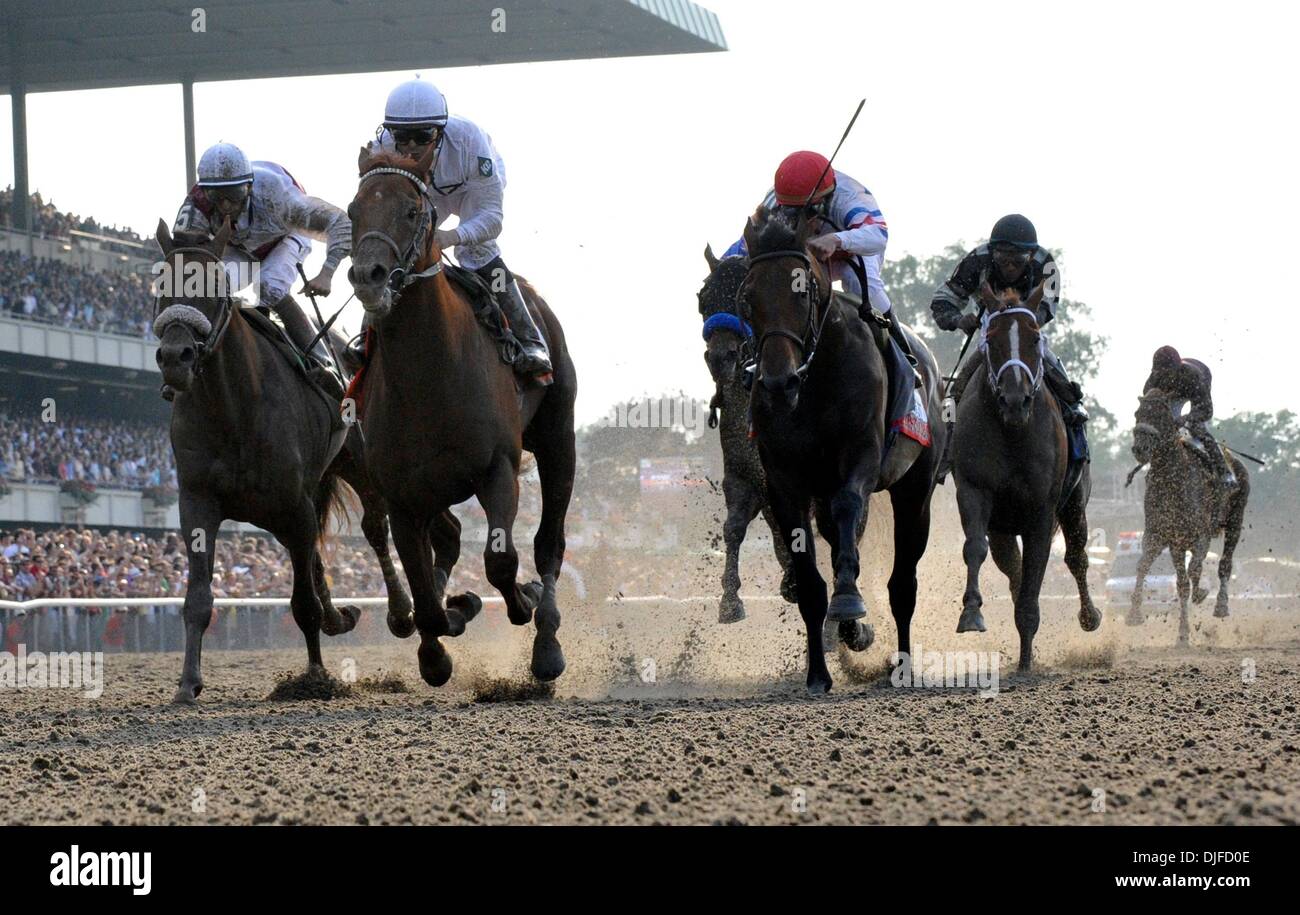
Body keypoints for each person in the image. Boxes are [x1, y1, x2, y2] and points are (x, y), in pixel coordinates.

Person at [368, 78, 551, 379]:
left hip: (471, 187)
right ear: (390, 132)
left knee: (476, 250)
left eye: (423, 135)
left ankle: (531, 340)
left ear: (439, 131)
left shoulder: (470, 141)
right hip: (423, 193)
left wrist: (452, 236)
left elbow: (492, 218)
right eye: (403, 136)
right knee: (397, 253)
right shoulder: (382, 146)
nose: (411, 147)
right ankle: (367, 338)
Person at [170, 142, 350, 375]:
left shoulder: (277, 196)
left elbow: (341, 224)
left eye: (234, 194)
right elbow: (183, 261)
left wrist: (327, 273)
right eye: (217, 195)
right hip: (240, 247)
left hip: (285, 237)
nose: (225, 205)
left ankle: (324, 364)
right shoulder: (197, 203)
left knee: (269, 287)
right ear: (205, 191)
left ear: (249, 186)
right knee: (207, 286)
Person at [723, 150, 912, 356]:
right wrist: (724, 267)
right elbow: (746, 246)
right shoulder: (773, 203)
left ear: (828, 197)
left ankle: (901, 352)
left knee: (857, 280)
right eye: (790, 211)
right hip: (808, 258)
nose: (800, 219)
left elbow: (878, 235)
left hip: (852, 253)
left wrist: (837, 239)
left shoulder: (850, 197)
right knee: (783, 283)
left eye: (808, 211)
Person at [930, 213, 1088, 427]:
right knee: (955, 391)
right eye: (1003, 259)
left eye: (1018, 260)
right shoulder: (977, 261)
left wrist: (1020, 322)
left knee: (1058, 374)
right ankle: (946, 437)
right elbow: (942, 300)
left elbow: (1044, 311)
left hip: (1027, 329)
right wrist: (959, 320)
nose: (1010, 266)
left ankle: (1074, 414)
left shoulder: (1046, 266)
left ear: (1031, 256)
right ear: (993, 253)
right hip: (993, 329)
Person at [1144, 345, 1236, 486]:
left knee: (1197, 428)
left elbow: (1206, 410)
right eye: (1161, 374)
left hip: (1197, 387)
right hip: (1170, 397)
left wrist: (1186, 418)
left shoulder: (1193, 376)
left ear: (1177, 370)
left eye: (1168, 373)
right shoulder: (1152, 383)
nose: (1165, 378)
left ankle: (1225, 473)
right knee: (1162, 429)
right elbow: (1150, 413)